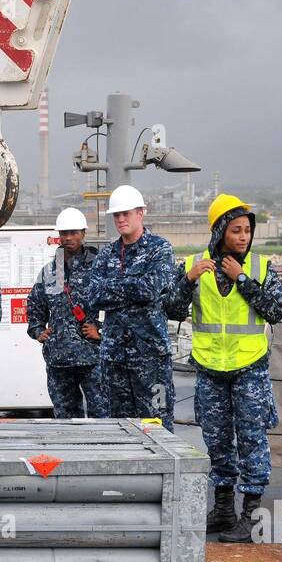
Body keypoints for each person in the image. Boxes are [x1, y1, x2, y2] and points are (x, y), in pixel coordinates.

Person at [163, 194, 282, 543]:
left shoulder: (260, 268)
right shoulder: (195, 264)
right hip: (210, 368)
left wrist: (243, 279)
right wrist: (187, 280)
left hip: (249, 368)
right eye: (236, 231)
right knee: (216, 441)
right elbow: (171, 309)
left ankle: (252, 517)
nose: (244, 237)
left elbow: (276, 312)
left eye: (247, 230)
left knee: (251, 440)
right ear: (219, 232)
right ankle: (223, 510)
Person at [86, 185, 176, 432]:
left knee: (158, 425)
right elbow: (93, 295)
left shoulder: (159, 249)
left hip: (151, 358)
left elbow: (150, 288)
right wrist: (132, 290)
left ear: (140, 213)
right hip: (115, 358)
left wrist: (112, 289)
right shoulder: (106, 255)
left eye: (126, 213)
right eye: (117, 215)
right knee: (119, 427)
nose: (121, 219)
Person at [26, 207, 104, 418]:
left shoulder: (99, 268)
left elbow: (114, 304)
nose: (68, 238)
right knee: (65, 419)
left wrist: (101, 330)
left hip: (93, 358)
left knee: (102, 416)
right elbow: (35, 304)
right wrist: (38, 330)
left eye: (73, 233)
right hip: (58, 359)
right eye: (64, 233)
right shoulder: (50, 271)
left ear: (83, 234)